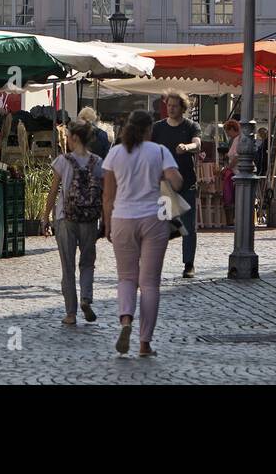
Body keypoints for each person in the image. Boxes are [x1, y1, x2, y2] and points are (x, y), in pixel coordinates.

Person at [103, 110, 183, 357]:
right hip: (153, 218)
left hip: (122, 218)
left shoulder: (115, 153)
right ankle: (144, 343)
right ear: (149, 129)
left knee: (126, 277)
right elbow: (177, 182)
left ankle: (125, 321)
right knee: (149, 283)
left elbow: (107, 196)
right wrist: (162, 176)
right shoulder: (159, 151)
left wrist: (107, 225)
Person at [42, 121, 103, 326]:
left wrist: (45, 216)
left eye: (67, 136)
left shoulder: (63, 161)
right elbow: (105, 193)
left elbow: (53, 191)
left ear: (75, 138)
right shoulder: (98, 162)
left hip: (65, 218)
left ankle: (70, 313)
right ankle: (86, 297)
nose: (66, 139)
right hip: (89, 219)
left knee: (67, 267)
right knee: (87, 263)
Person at [150, 90, 202, 278]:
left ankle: (189, 264)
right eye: (168, 105)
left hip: (186, 183)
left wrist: (186, 147)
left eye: (174, 106)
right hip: (164, 185)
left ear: (182, 108)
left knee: (188, 226)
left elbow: (197, 144)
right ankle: (154, 265)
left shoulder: (190, 126)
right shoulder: (158, 128)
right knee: (161, 227)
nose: (170, 109)